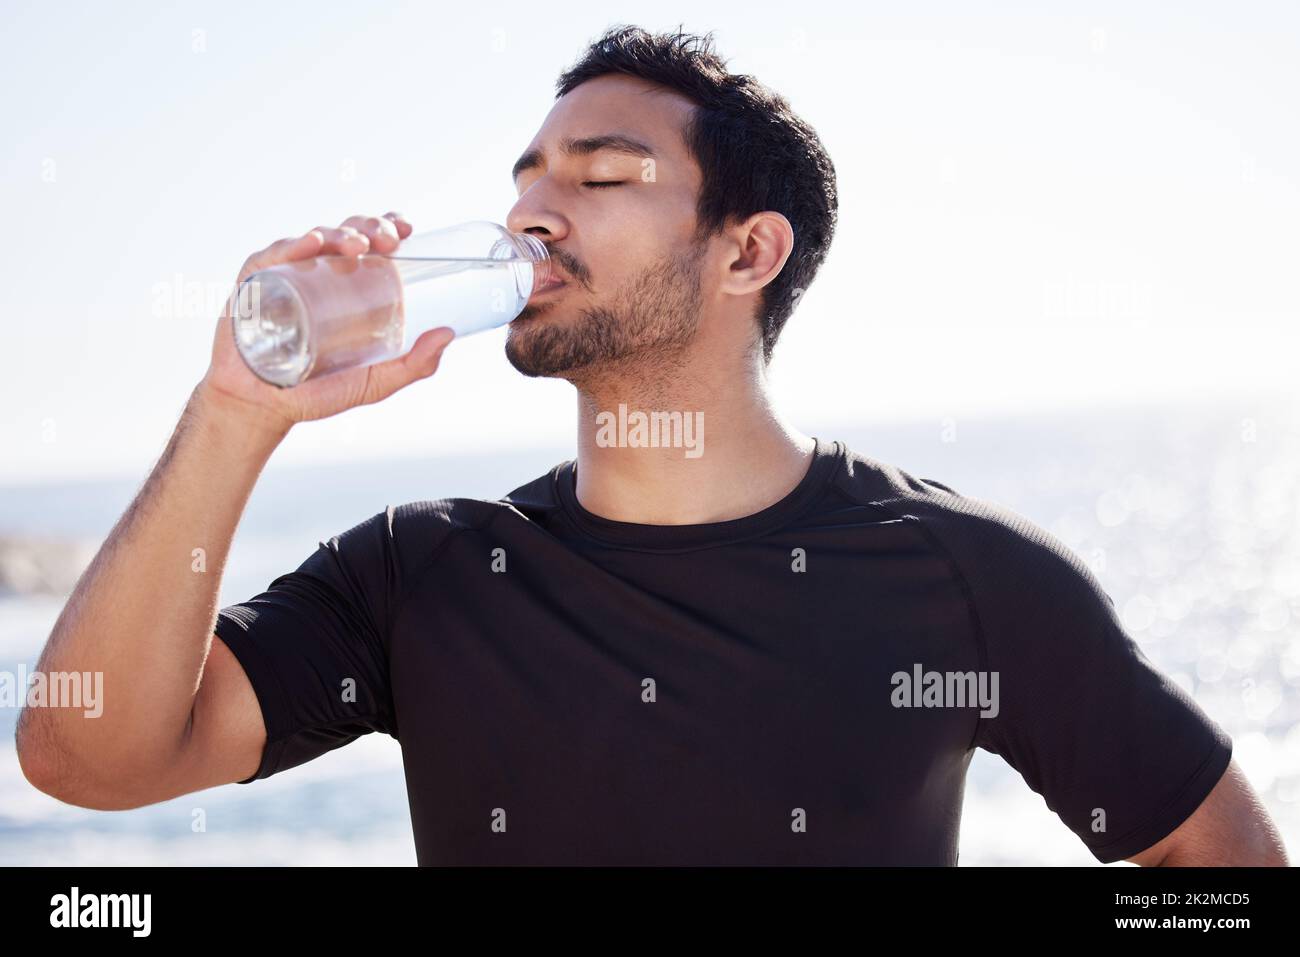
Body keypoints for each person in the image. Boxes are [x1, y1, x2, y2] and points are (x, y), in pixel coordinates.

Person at [17, 25, 1288, 866]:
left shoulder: (961, 576)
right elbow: (89, 758)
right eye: (527, 176)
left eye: (602, 174)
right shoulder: (423, 574)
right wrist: (237, 412)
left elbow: (1212, 863)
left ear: (747, 250)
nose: (530, 211)